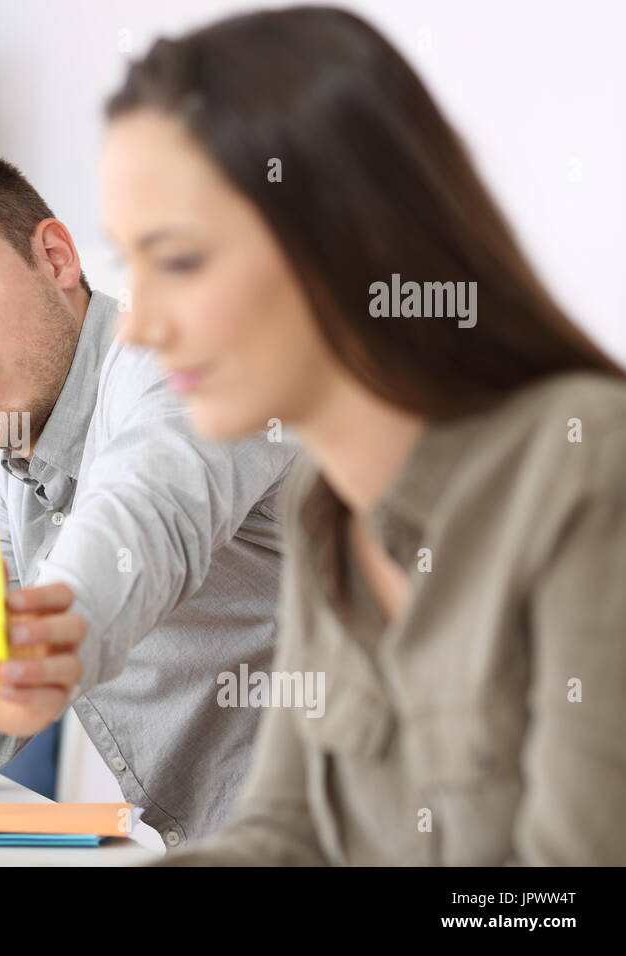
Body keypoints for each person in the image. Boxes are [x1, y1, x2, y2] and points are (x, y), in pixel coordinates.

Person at [100, 7, 626, 863]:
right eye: (130, 265)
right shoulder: (325, 503)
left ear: (341, 235)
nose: (138, 325)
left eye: (182, 261)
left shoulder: (584, 468)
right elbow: (284, 834)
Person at [0, 147, 298, 846]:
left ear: (54, 257)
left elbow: (146, 512)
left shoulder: (182, 365)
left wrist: (50, 634)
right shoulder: (23, 471)